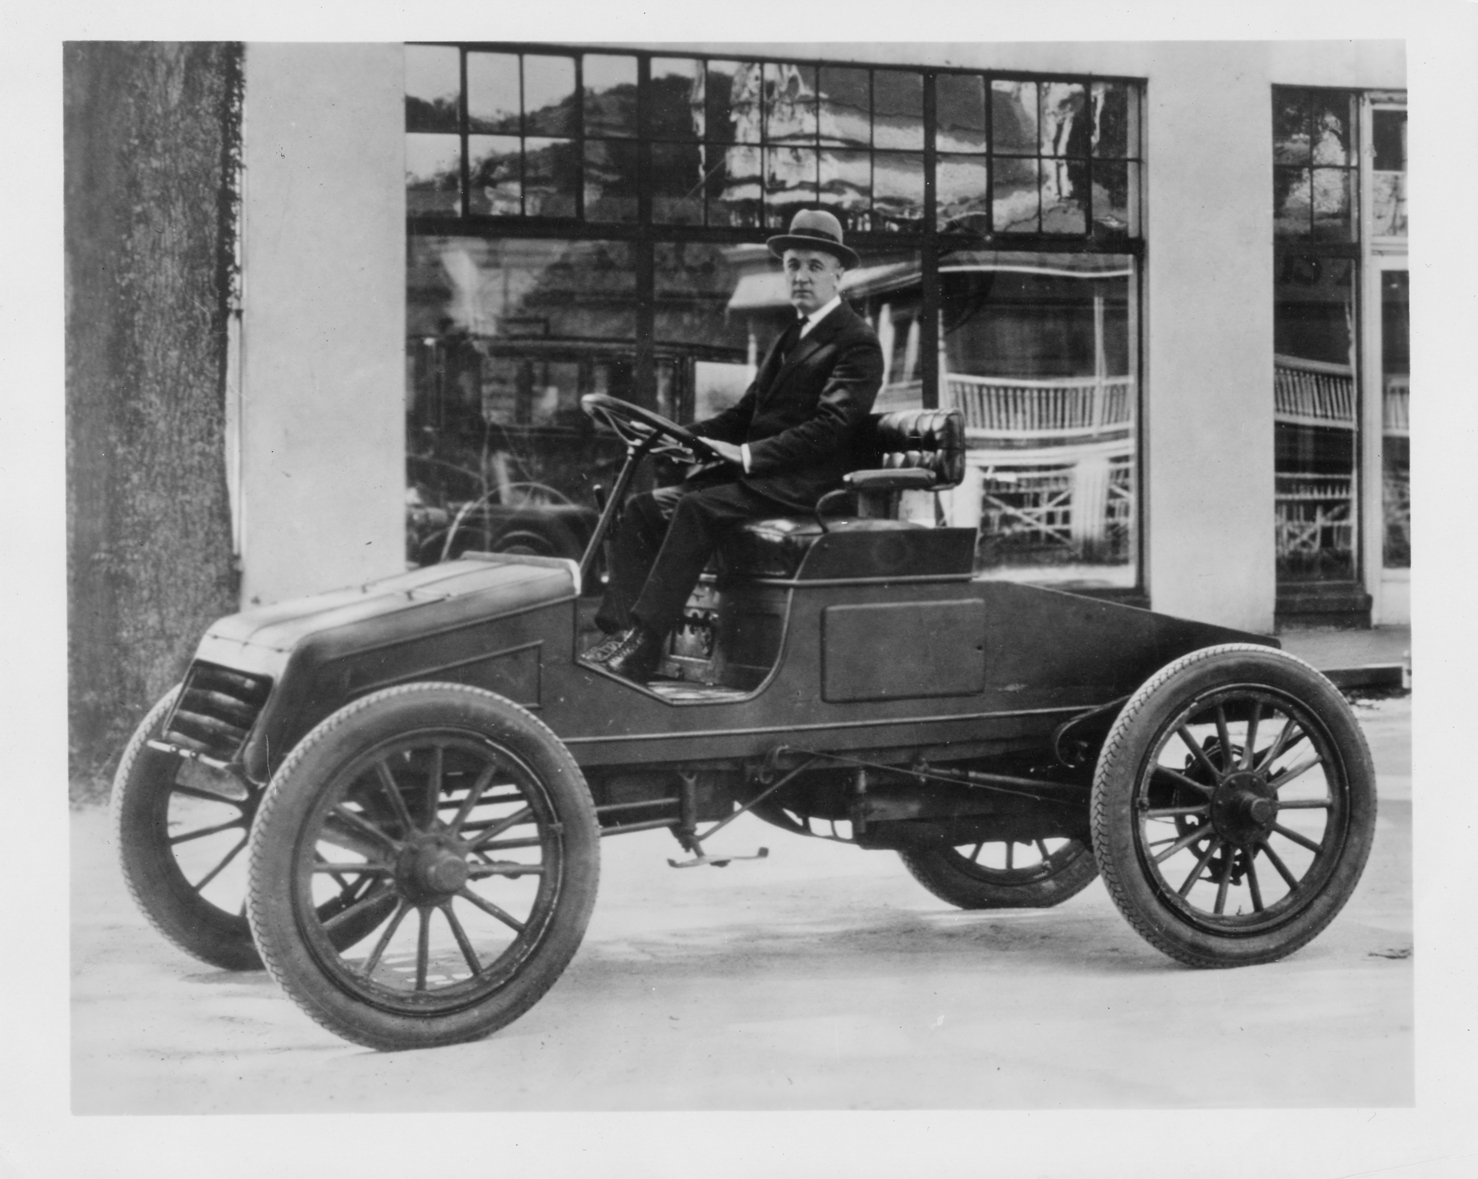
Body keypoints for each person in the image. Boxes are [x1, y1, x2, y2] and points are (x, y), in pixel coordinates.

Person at [585, 208, 884, 684]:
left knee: (696, 508)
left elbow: (830, 428)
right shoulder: (791, 336)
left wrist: (746, 455)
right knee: (644, 508)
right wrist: (684, 436)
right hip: (765, 477)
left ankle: (643, 644)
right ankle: (615, 634)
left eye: (814, 266)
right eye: (792, 265)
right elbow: (745, 415)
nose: (801, 276)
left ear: (838, 274)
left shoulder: (856, 342)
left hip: (806, 483)